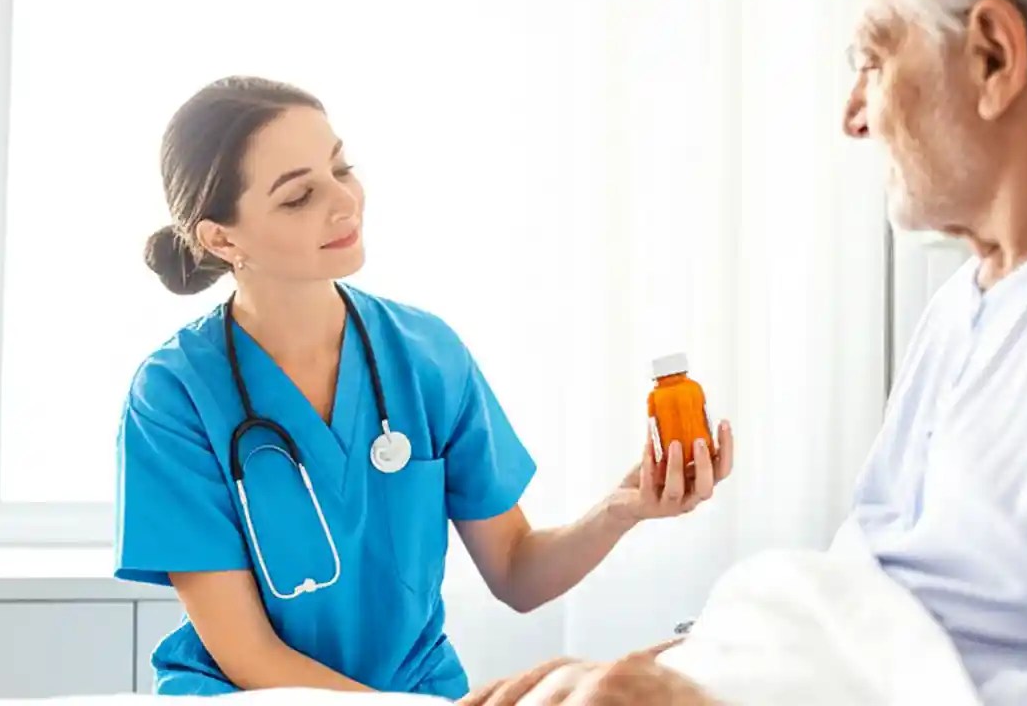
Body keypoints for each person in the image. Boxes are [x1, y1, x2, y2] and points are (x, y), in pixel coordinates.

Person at [462, 0, 1027, 703]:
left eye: (872, 62)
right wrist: (675, 669)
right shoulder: (966, 302)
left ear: (992, 58)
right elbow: (872, 594)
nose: (853, 117)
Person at [112, 76, 735, 700]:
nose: (344, 202)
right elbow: (249, 655)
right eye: (299, 196)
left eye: (341, 168)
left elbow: (516, 572)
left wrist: (622, 510)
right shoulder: (173, 395)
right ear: (222, 238)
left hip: (416, 692)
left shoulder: (424, 355)